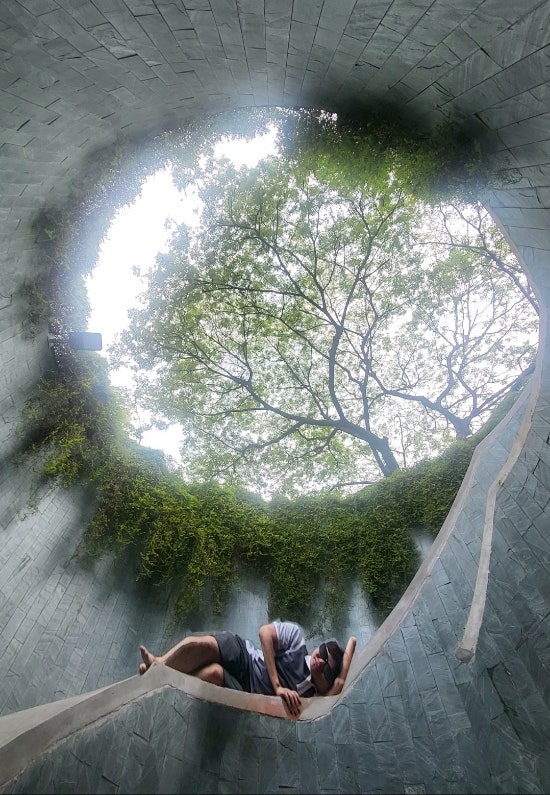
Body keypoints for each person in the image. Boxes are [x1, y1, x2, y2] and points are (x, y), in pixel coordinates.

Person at [138, 620, 357, 716]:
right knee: (207, 645)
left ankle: (166, 683)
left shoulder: (313, 698)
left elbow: (338, 685)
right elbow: (265, 633)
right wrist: (278, 686)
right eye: (323, 654)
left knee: (213, 673)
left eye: (326, 670)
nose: (320, 663)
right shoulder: (297, 641)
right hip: (247, 658)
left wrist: (331, 680)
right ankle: (159, 665)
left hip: (246, 689)